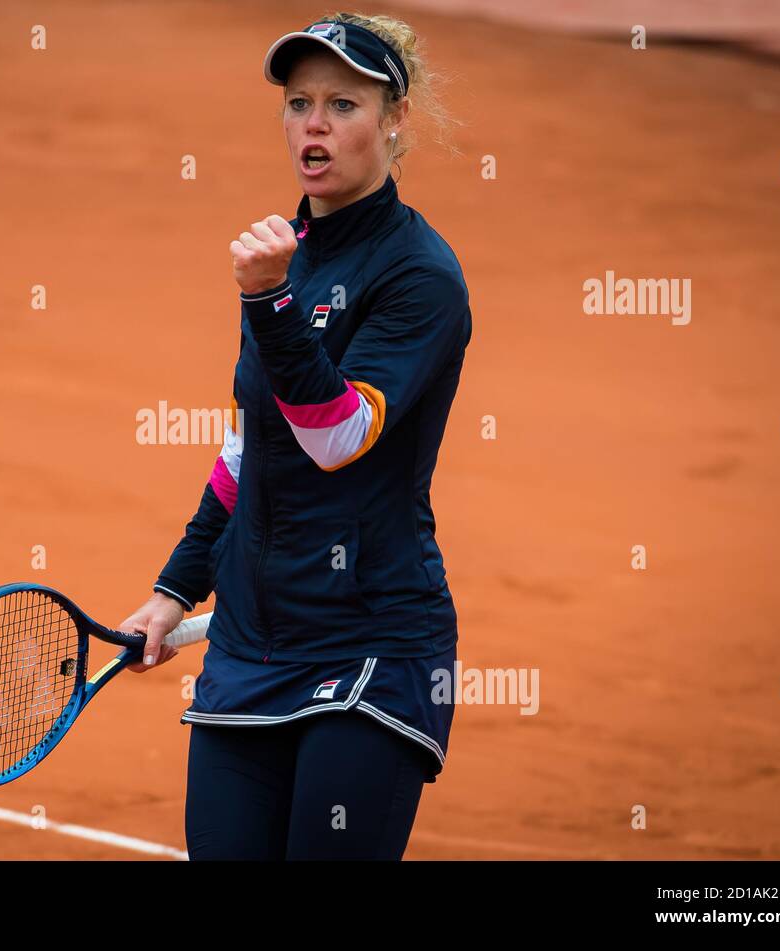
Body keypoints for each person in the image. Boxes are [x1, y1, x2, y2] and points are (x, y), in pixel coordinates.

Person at [120, 12, 472, 860]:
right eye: (299, 102)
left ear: (394, 119)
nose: (313, 124)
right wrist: (175, 589)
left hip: (371, 650)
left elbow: (338, 435)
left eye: (343, 105)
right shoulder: (291, 252)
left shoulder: (419, 276)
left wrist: (269, 302)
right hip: (249, 649)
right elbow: (253, 450)